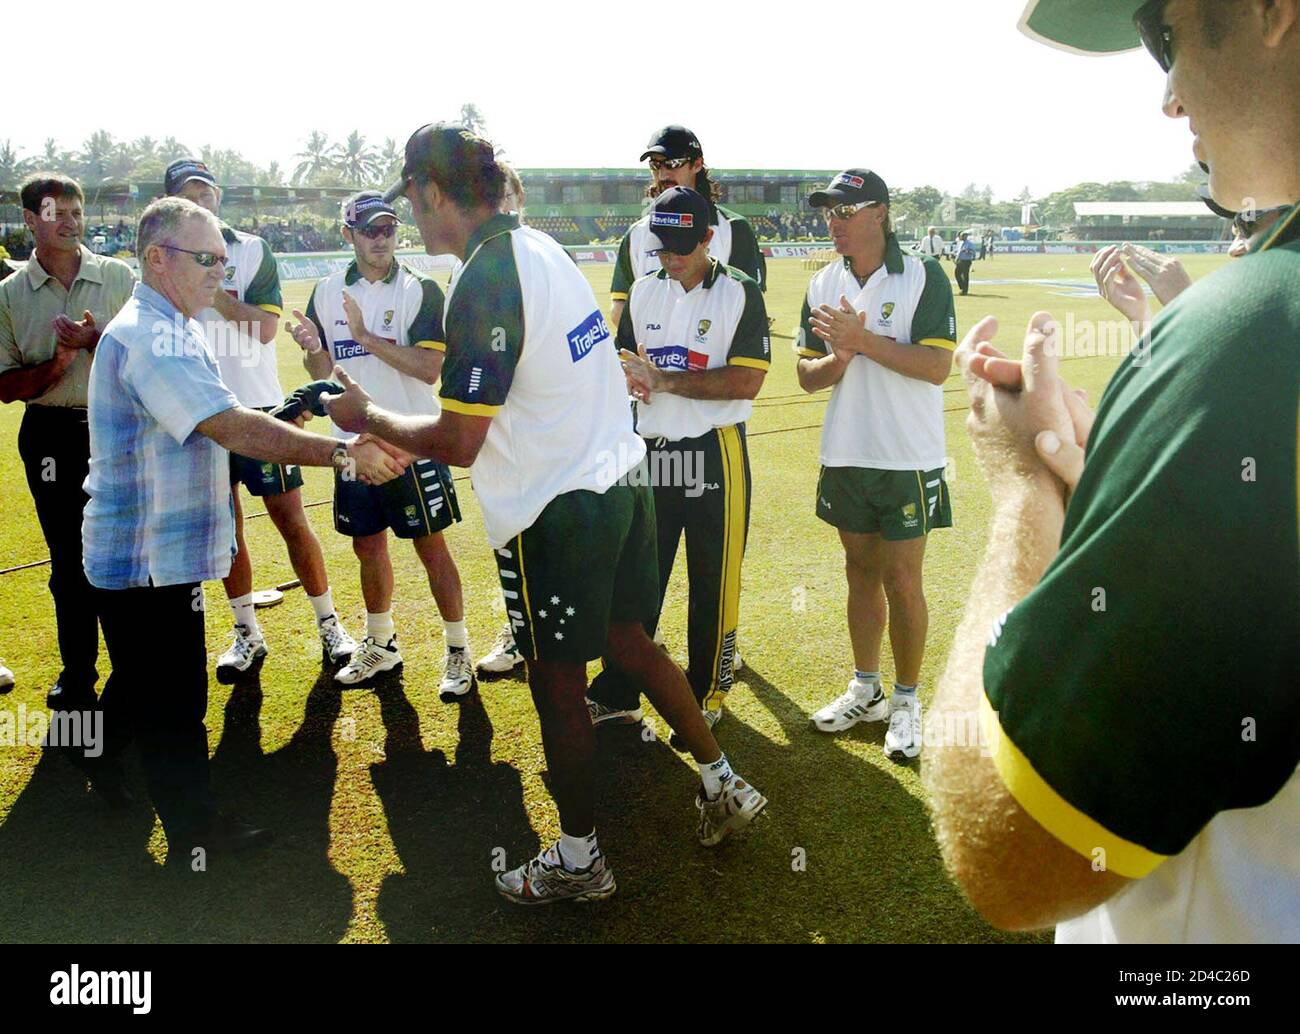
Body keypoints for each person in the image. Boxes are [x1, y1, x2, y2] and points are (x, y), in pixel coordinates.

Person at [926, 0, 1299, 943]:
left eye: (1162, 34)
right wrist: (1143, 492)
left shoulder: (1254, 332)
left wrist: (1024, 495)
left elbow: (1012, 859)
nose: (1169, 96)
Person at [326, 123, 768, 903]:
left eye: (414, 203)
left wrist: (368, 418)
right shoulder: (545, 251)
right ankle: (722, 779)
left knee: (556, 682)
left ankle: (579, 857)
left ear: (433, 193)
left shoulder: (487, 276)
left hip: (556, 510)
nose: (416, 222)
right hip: (624, 485)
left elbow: (460, 440)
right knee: (630, 640)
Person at [82, 196, 404, 861]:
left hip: (156, 553)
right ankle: (196, 831)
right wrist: (341, 452)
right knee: (174, 698)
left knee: (142, 677)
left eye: (224, 263)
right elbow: (226, 425)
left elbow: (215, 417)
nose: (220, 277)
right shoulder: (152, 334)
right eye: (207, 261)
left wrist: (290, 407)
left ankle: (88, 750)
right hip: (146, 558)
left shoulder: (174, 323)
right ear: (156, 258)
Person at [585, 187, 769, 740]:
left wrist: (663, 380)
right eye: (662, 246)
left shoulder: (741, 292)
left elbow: (748, 379)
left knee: (713, 577)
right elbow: (621, 360)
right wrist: (632, 381)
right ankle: (618, 693)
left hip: (716, 451)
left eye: (682, 246)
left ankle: (705, 691)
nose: (671, 256)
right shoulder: (643, 291)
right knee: (639, 580)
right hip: (651, 453)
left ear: (708, 238)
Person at [165, 158, 357, 679]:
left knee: (292, 520)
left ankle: (330, 623)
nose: (202, 202)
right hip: (202, 414)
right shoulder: (163, 260)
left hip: (261, 410)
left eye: (207, 193)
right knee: (227, 533)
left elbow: (266, 330)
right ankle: (247, 632)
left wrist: (218, 295)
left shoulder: (250, 250)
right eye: (190, 194)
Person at [795, 169, 957, 761]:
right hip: (846, 451)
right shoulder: (821, 282)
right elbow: (806, 376)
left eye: (846, 210)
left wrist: (864, 343)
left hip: (907, 454)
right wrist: (839, 359)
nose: (834, 222)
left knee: (902, 578)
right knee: (858, 572)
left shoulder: (922, 276)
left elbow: (938, 367)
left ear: (880, 212)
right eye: (828, 213)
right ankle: (867, 688)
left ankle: (908, 699)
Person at [288, 191, 472, 697]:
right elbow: (323, 374)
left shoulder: (419, 289)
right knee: (367, 545)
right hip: (351, 442)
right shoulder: (325, 291)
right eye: (369, 230)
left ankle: (458, 651)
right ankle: (382, 642)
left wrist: (368, 338)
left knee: (431, 547)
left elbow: (431, 368)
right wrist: (313, 353)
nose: (381, 239)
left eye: (388, 228)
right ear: (347, 234)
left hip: (410, 438)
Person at [0, 174, 135, 718]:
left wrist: (96, 340)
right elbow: (4, 387)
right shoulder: (9, 295)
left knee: (126, 557)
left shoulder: (119, 277)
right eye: (56, 211)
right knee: (68, 560)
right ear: (30, 220)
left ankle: (132, 674)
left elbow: (158, 356)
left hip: (119, 429)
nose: (70, 220)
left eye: (76, 210)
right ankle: (77, 674)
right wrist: (57, 365)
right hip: (51, 433)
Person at [609, 125, 765, 331]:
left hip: (714, 359)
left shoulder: (734, 229)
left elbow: (749, 305)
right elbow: (620, 306)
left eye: (672, 164)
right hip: (652, 358)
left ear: (697, 164)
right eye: (655, 165)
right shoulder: (637, 233)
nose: (663, 175)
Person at [476, 165, 529, 676]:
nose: (504, 205)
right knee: (504, 538)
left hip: (534, 438)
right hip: (496, 437)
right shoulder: (475, 264)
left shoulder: (533, 259)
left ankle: (532, 632)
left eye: (510, 195)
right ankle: (518, 627)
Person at [953, 230, 977, 294]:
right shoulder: (959, 243)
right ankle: (962, 287)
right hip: (960, 260)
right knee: (957, 273)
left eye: (961, 236)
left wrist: (967, 251)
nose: (960, 237)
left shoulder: (970, 244)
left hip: (966, 261)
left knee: (965, 275)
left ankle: (965, 290)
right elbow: (957, 251)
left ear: (965, 236)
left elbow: (973, 252)